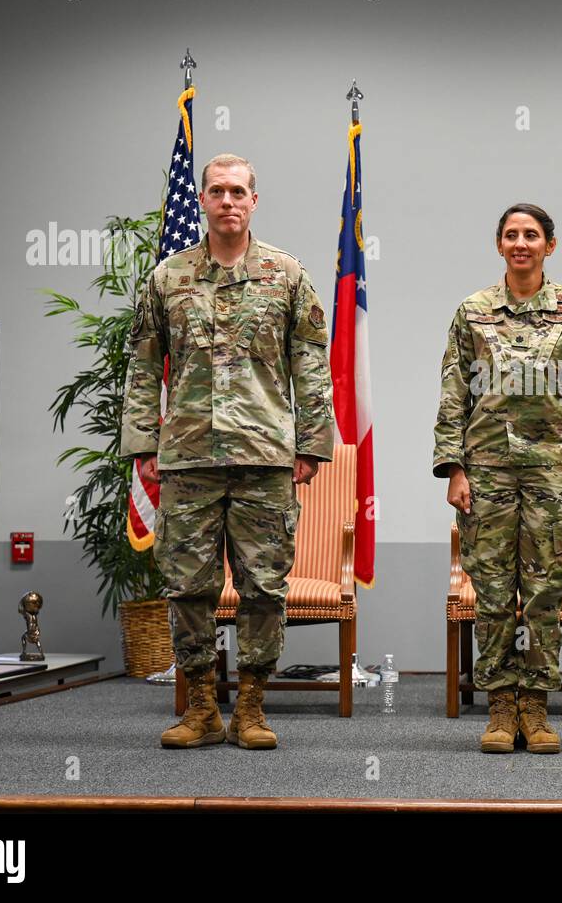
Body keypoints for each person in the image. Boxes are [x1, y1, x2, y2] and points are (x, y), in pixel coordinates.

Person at [120, 153, 335, 750]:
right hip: (186, 455)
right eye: (217, 191)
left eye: (239, 191)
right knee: (188, 586)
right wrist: (142, 442)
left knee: (263, 586)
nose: (228, 201)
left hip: (265, 454)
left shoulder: (287, 276)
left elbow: (310, 366)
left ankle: (253, 708)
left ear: (254, 200)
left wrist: (312, 445)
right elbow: (141, 366)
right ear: (204, 200)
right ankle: (201, 709)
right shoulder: (168, 278)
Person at [433, 203, 562, 754]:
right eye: (511, 235)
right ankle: (499, 708)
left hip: (553, 471)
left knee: (542, 592)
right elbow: (453, 390)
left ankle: (535, 707)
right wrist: (452, 466)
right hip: (485, 470)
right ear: (499, 245)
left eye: (531, 235)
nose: (521, 243)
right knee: (490, 592)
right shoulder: (473, 311)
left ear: (549, 246)